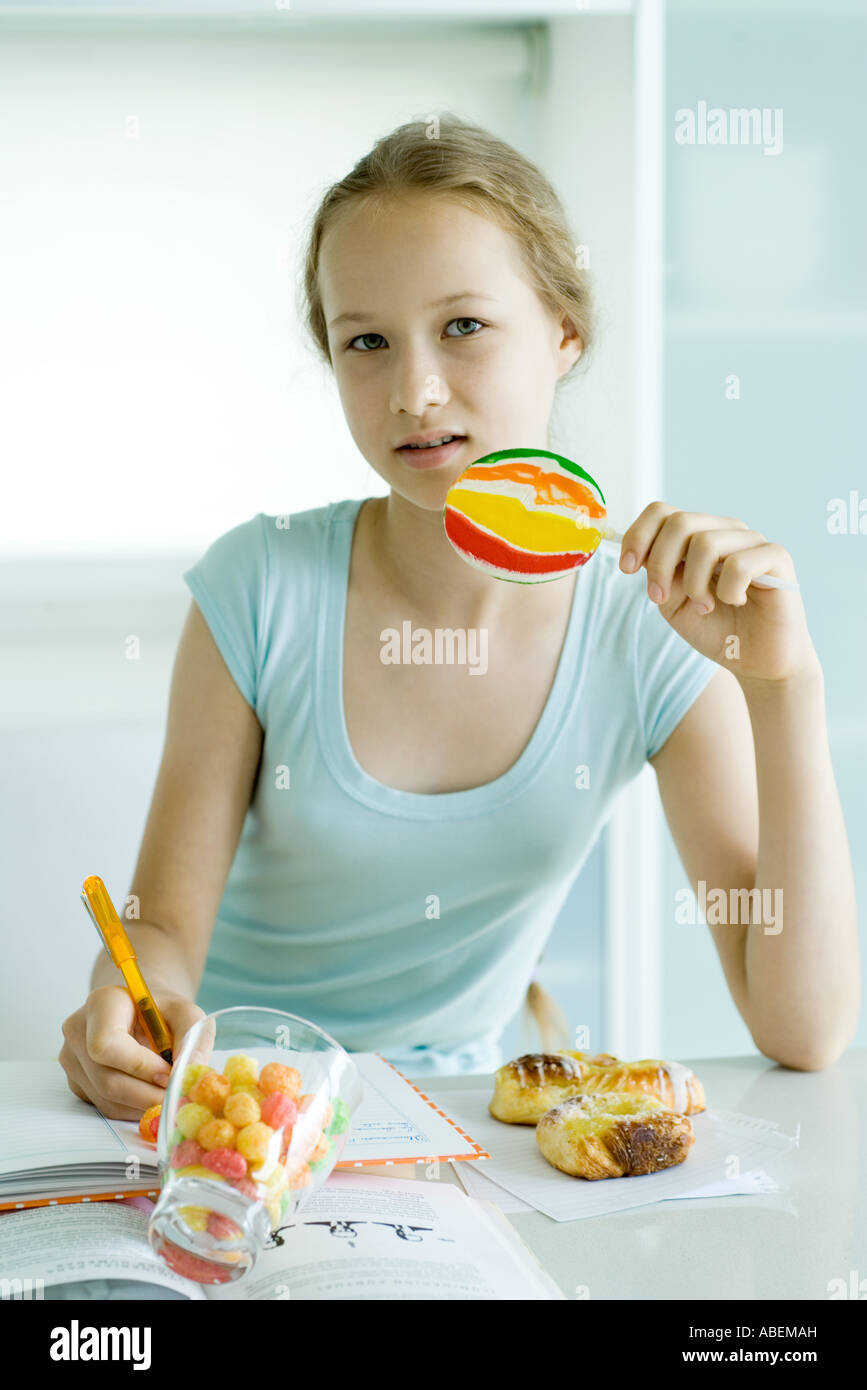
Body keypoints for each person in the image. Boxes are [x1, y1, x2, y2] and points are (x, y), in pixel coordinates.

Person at [59, 115, 858, 1122]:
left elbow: (805, 1026)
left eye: (465, 327)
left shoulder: (655, 619)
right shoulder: (259, 585)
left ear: (564, 333)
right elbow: (161, 922)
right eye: (367, 342)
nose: (415, 391)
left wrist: (785, 689)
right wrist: (125, 999)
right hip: (238, 1108)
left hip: (460, 1127)